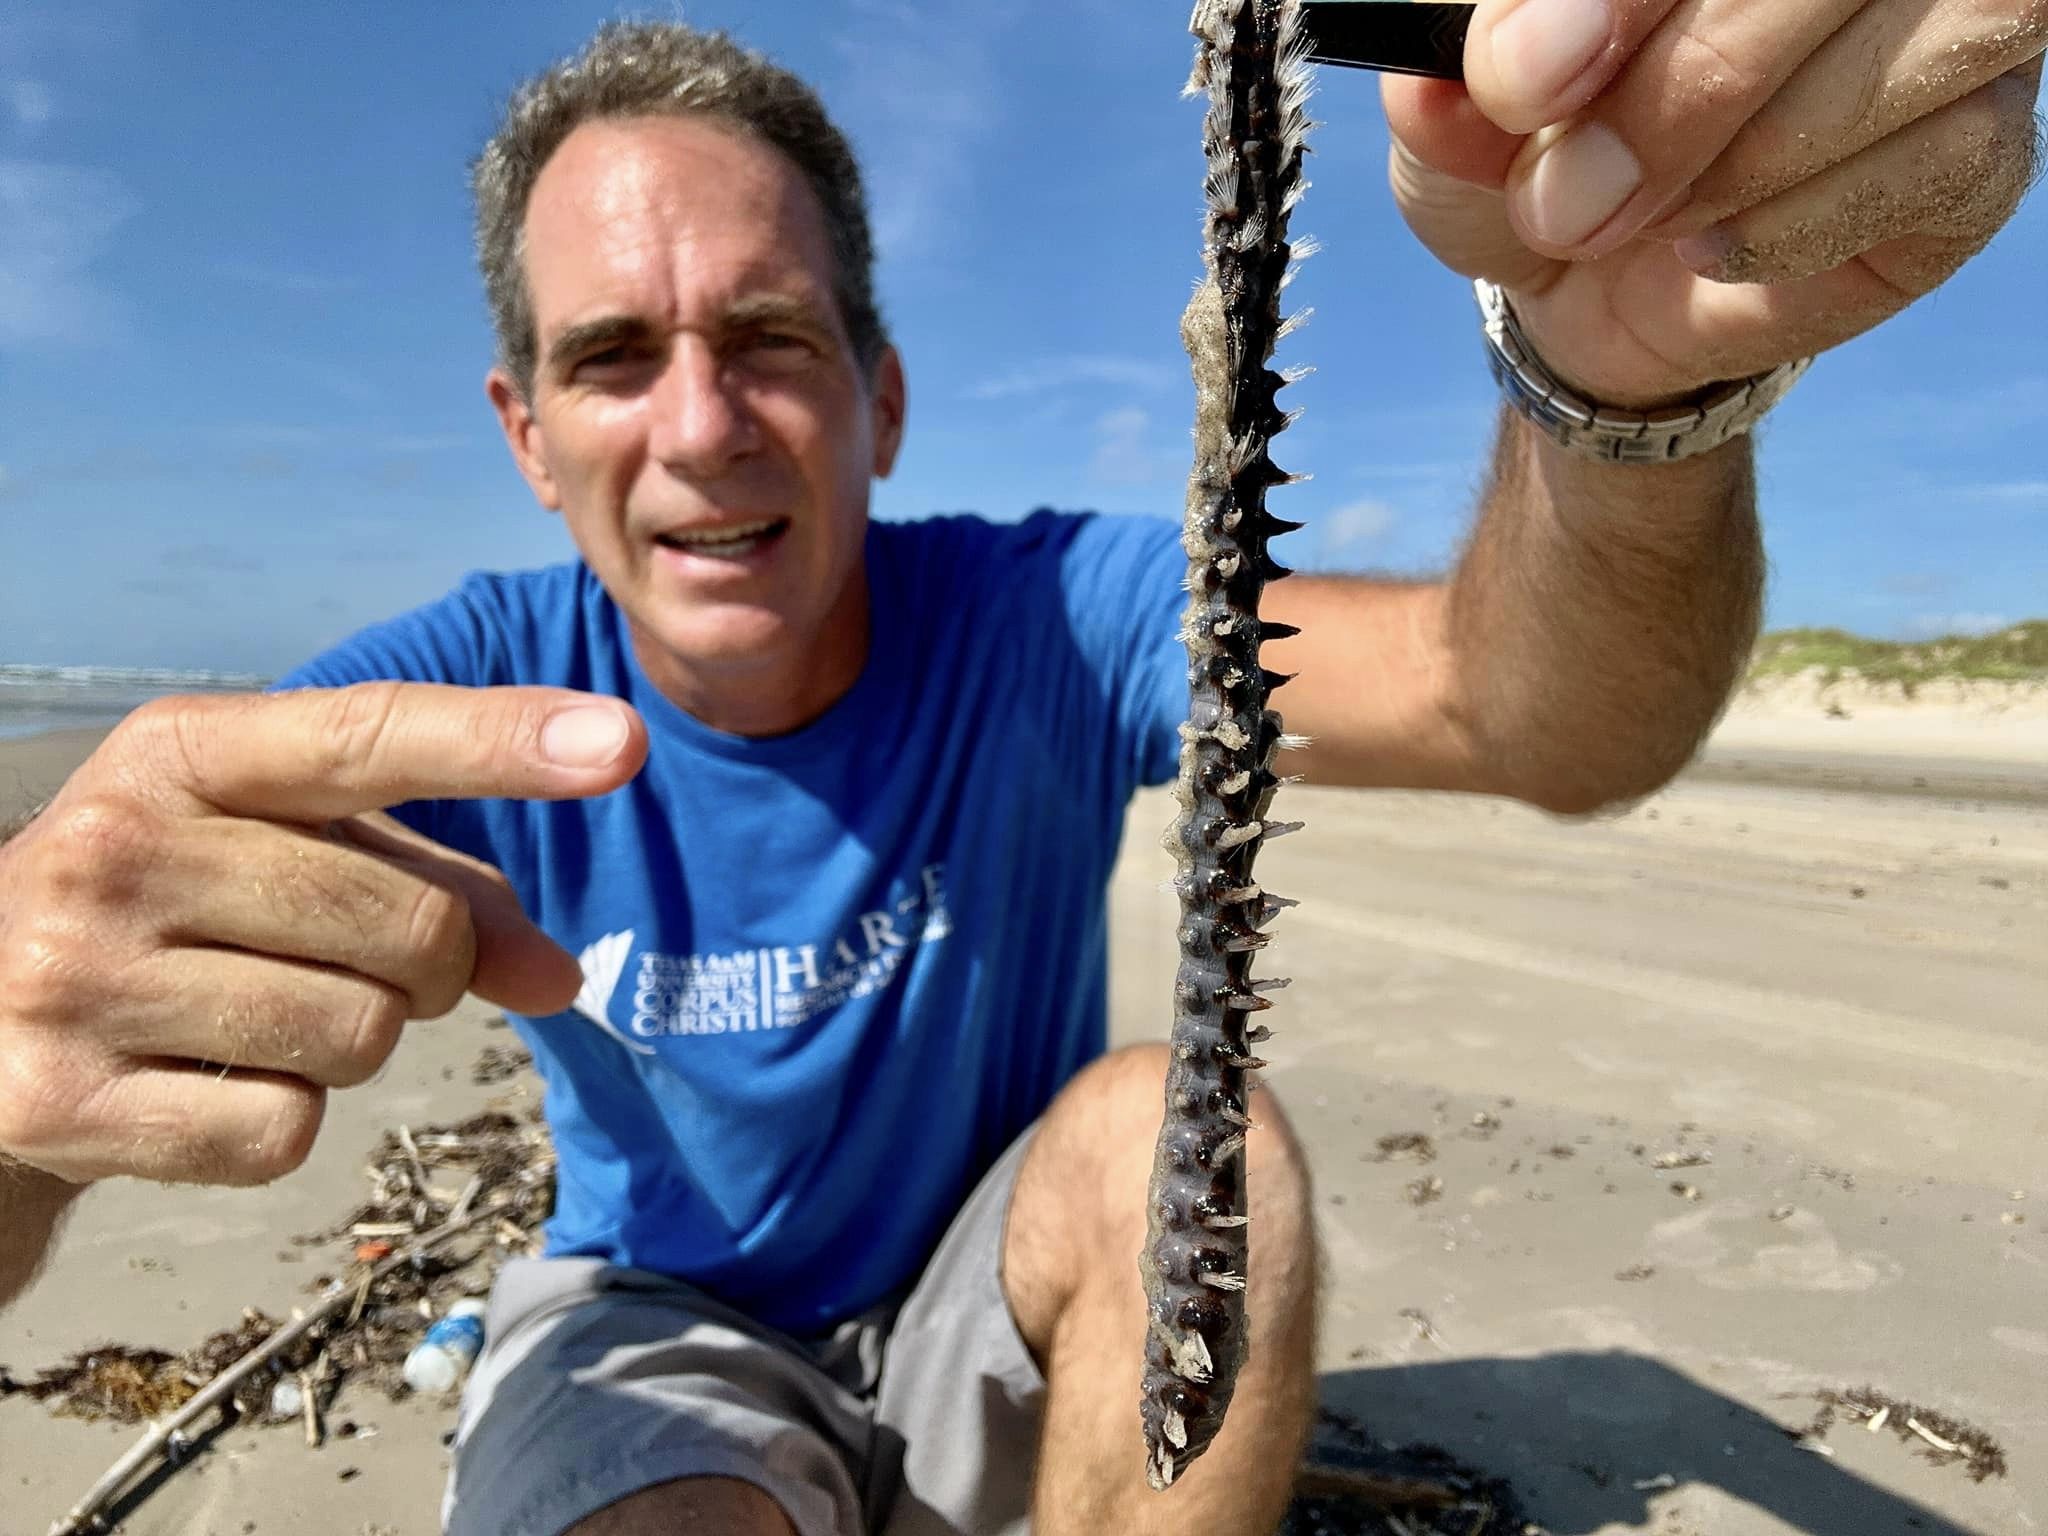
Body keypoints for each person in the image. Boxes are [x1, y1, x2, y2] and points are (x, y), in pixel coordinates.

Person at [0, 10, 2038, 1536]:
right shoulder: (442, 698)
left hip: (1005, 1298)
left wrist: (1622, 398)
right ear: (527, 433)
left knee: (1187, 1134)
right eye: (614, 357)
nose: (702, 423)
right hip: (656, 1319)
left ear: (879, 399)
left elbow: (1541, 714)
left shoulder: (1056, 614)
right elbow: (97, 995)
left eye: (773, 338)